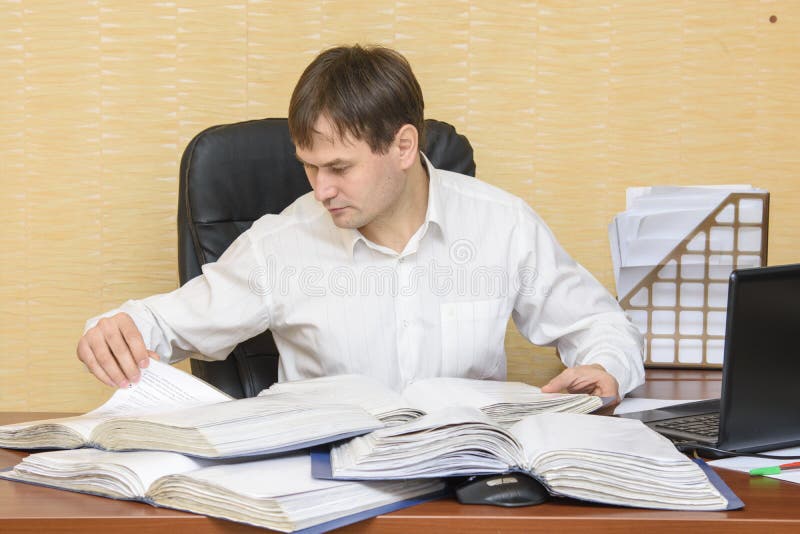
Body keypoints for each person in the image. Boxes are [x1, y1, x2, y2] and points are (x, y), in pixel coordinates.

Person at [77, 44, 644, 400]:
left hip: (458, 490)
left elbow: (601, 326)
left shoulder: (501, 225)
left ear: (403, 146)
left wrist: (603, 368)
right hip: (320, 488)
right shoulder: (282, 244)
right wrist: (117, 329)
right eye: (309, 168)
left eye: (339, 168)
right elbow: (167, 322)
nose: (320, 189)